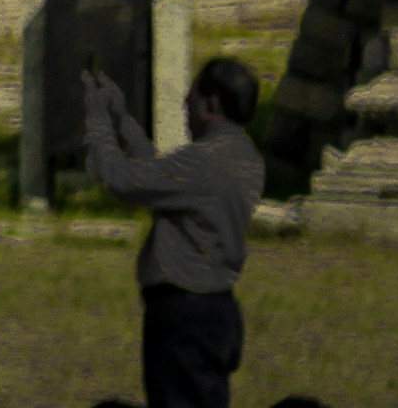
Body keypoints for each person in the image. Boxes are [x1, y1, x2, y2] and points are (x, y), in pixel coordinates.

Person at [76, 49, 266, 408]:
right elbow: (160, 178)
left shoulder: (206, 161)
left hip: (185, 317)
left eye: (190, 103)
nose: (187, 112)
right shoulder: (241, 156)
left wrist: (98, 119)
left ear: (210, 105)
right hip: (211, 313)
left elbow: (123, 180)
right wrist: (123, 121)